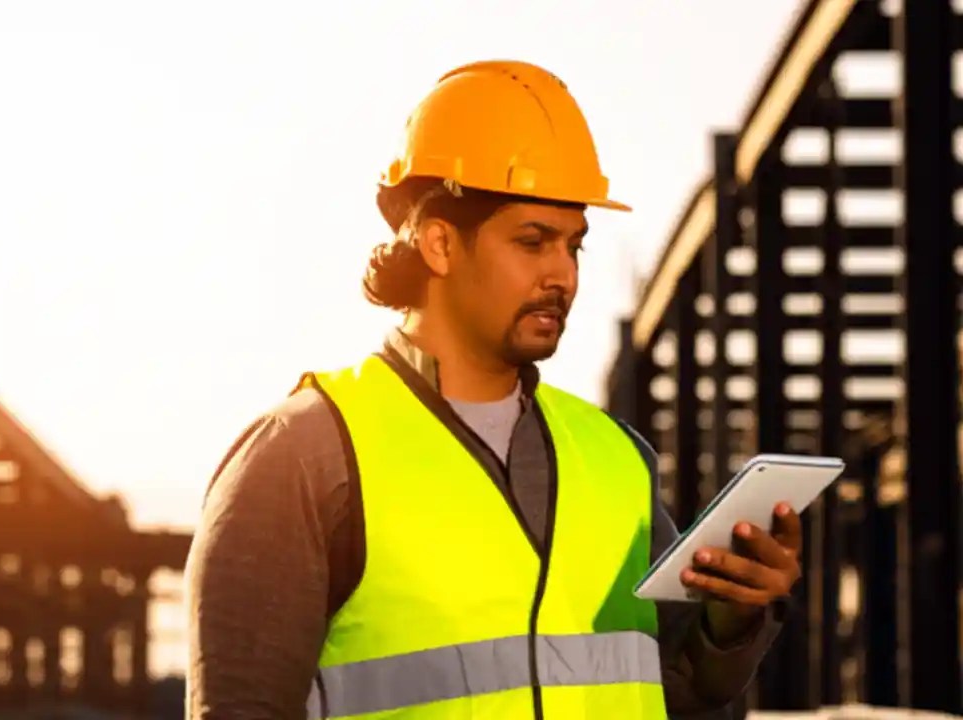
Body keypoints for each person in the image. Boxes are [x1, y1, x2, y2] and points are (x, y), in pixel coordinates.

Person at [184, 59, 800, 719]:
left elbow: (671, 693)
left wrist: (732, 622)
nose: (562, 275)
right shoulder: (304, 455)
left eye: (575, 247)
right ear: (441, 245)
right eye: (533, 242)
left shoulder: (618, 459)